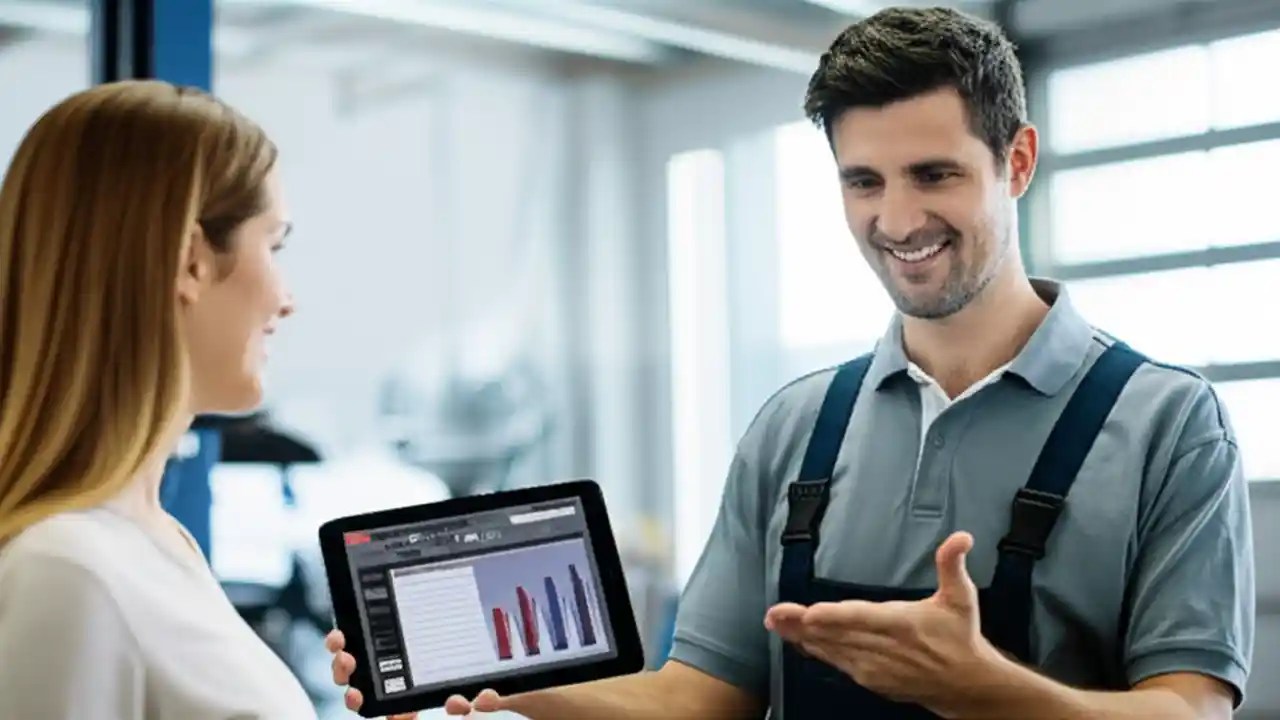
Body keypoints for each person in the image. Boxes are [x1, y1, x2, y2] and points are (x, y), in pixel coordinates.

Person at [329, 6, 1254, 719]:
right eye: (864, 181)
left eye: (934, 174)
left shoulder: (1166, 422)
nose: (898, 220)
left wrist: (987, 690)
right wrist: (493, 679)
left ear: (1016, 162)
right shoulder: (796, 427)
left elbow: (1192, 709)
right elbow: (700, 697)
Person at [0, 80, 312, 719]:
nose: (287, 300)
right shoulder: (68, 572)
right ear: (190, 260)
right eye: (273, 244)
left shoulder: (153, 541)